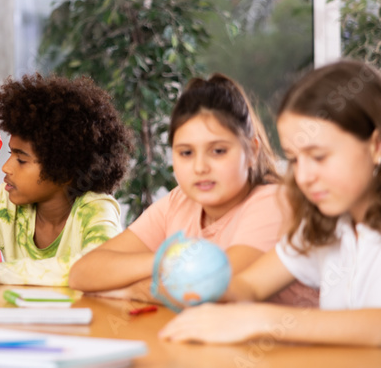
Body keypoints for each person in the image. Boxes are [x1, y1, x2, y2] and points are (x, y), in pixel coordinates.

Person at [160, 60, 381, 346]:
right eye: (294, 159)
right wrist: (196, 288)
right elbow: (248, 285)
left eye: (319, 156)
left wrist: (260, 320)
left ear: (376, 146)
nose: (303, 176)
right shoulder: (328, 227)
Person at [69, 74, 314, 307]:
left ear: (252, 152)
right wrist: (164, 261)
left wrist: (128, 289)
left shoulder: (273, 203)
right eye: (186, 153)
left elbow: (209, 291)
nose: (200, 167)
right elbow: (82, 273)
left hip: (291, 350)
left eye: (218, 151)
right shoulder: (179, 200)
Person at [0, 74, 133, 286]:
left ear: (64, 170)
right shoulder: (5, 204)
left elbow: (96, 268)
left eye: (21, 160)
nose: (6, 167)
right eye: (11, 154)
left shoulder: (95, 208)